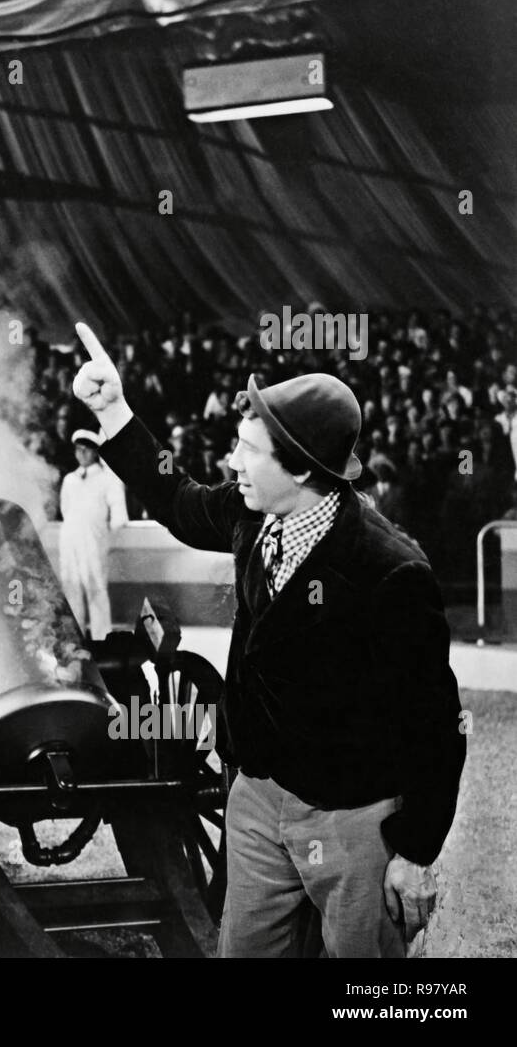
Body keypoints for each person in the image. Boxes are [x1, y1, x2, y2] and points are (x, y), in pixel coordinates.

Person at [72, 323, 465, 958]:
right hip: (255, 800)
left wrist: (415, 851)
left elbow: (435, 725)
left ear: (303, 470)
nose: (232, 462)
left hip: (353, 818)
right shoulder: (252, 514)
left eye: (248, 451)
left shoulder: (390, 571)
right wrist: (113, 411)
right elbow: (177, 496)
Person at [58, 429, 128, 639]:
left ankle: (102, 638)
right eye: (78, 450)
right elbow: (65, 509)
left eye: (86, 450)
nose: (81, 454)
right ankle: (76, 637)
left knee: (96, 588)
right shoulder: (70, 480)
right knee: (71, 588)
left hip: (94, 540)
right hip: (70, 540)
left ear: (95, 452)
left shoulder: (109, 479)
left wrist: (110, 535)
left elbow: (118, 512)